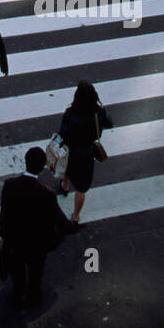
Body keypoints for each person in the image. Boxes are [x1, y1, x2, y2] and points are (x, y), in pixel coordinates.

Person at [0, 148, 78, 310]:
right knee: (35, 274)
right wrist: (71, 227)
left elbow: (5, 213)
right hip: (36, 245)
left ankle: (17, 297)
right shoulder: (47, 194)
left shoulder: (9, 185)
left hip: (14, 241)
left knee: (17, 273)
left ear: (26, 162)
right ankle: (33, 298)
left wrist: (3, 235)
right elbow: (60, 221)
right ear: (42, 167)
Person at [58, 81, 115, 225]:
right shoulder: (99, 114)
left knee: (67, 168)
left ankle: (64, 186)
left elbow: (63, 133)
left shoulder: (70, 113)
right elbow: (110, 123)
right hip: (87, 154)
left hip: (71, 150)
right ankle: (76, 216)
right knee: (82, 188)